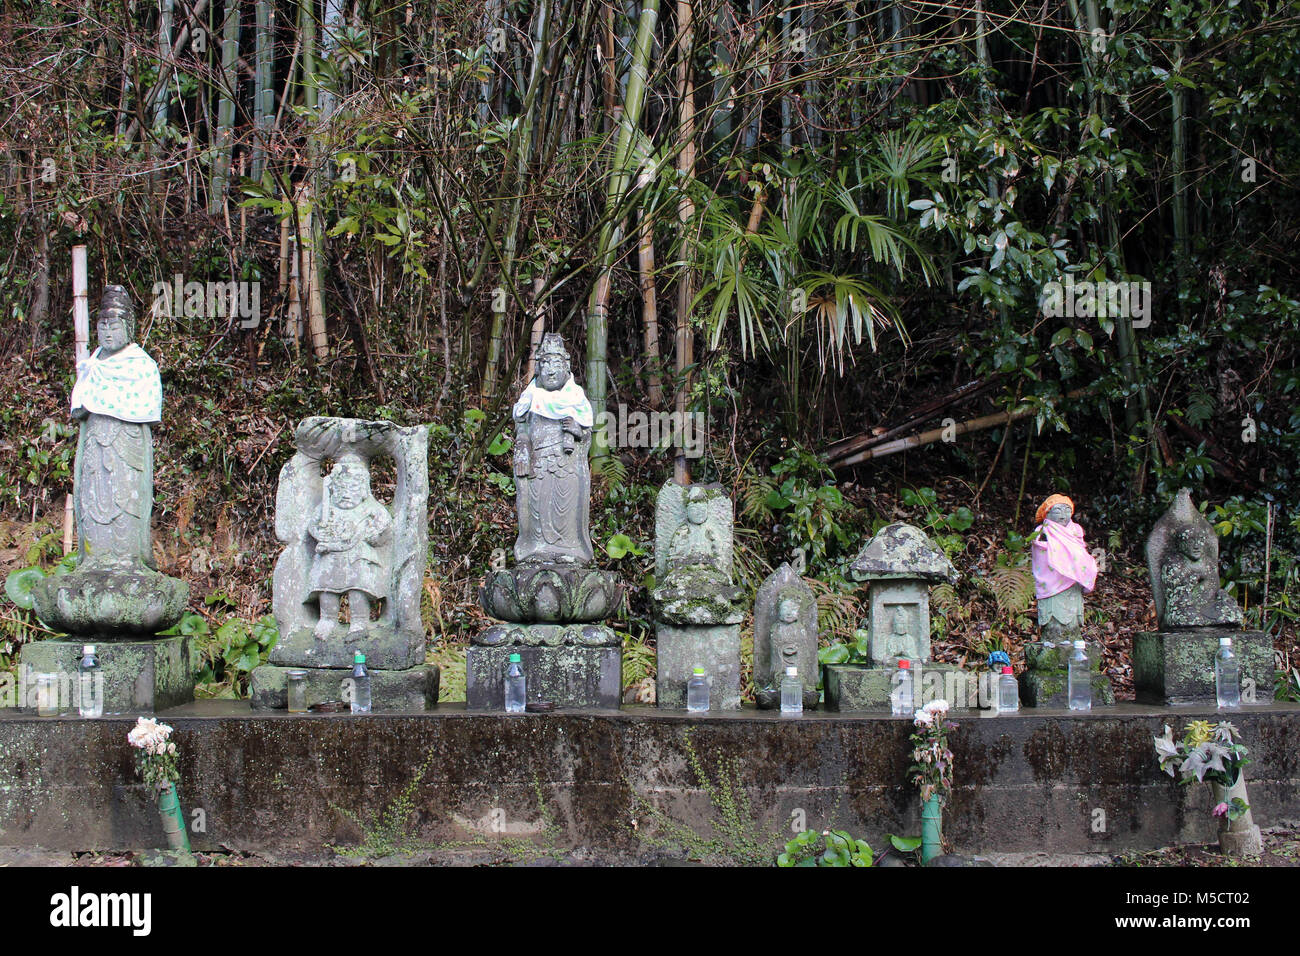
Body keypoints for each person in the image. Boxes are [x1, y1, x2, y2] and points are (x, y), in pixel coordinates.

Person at [70, 286, 163, 570]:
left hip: (126, 443)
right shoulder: (92, 365)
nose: (107, 333)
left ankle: (128, 559)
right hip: (95, 442)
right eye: (102, 326)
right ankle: (94, 558)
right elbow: (81, 405)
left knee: (125, 497)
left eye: (114, 326)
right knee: (92, 497)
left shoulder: (141, 366)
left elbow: (147, 407)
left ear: (129, 327)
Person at [511, 334, 594, 565]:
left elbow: (587, 433)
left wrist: (578, 431)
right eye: (545, 364)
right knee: (539, 505)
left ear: (566, 367)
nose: (550, 371)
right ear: (538, 367)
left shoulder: (575, 398)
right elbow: (522, 431)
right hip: (539, 463)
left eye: (556, 364)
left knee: (564, 506)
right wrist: (522, 450)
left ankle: (570, 550)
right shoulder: (531, 398)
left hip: (565, 464)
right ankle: (536, 548)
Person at [307, 458, 392, 642]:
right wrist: (322, 533)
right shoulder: (327, 509)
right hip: (330, 556)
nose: (346, 494)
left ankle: (359, 621)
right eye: (341, 489)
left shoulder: (369, 509)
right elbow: (314, 525)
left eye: (352, 489)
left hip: (357, 556)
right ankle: (327, 619)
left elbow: (383, 524)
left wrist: (372, 532)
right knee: (326, 590)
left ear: (362, 491)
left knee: (357, 590)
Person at [1031, 493, 1098, 645]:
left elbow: (1080, 554)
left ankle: (1074, 637)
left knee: (1072, 621)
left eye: (1067, 510)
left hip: (1073, 581)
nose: (1063, 514)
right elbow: (1041, 554)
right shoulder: (1043, 532)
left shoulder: (1076, 531)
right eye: (1058, 510)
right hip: (1052, 580)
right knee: (1055, 619)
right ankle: (1052, 638)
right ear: (1047, 513)